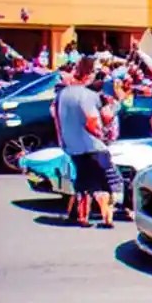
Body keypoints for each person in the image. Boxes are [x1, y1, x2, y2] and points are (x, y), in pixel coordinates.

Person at [54, 57, 117, 228]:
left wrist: (63, 140)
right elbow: (94, 120)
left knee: (83, 183)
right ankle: (107, 219)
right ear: (89, 73)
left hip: (73, 146)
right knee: (104, 183)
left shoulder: (62, 94)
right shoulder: (88, 95)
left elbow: (56, 119)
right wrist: (103, 132)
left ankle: (82, 217)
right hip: (94, 145)